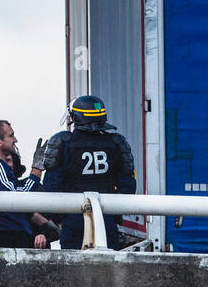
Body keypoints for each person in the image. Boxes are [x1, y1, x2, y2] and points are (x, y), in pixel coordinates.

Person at [40, 95, 137, 249]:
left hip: (73, 219)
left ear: (75, 117)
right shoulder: (116, 142)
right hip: (106, 218)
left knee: (73, 270)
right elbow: (128, 186)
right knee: (109, 269)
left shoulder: (63, 142)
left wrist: (60, 218)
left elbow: (51, 186)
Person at [0, 120, 52, 248]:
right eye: (11, 136)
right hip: (7, 237)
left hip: (6, 236)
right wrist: (36, 169)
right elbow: (18, 196)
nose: (15, 140)